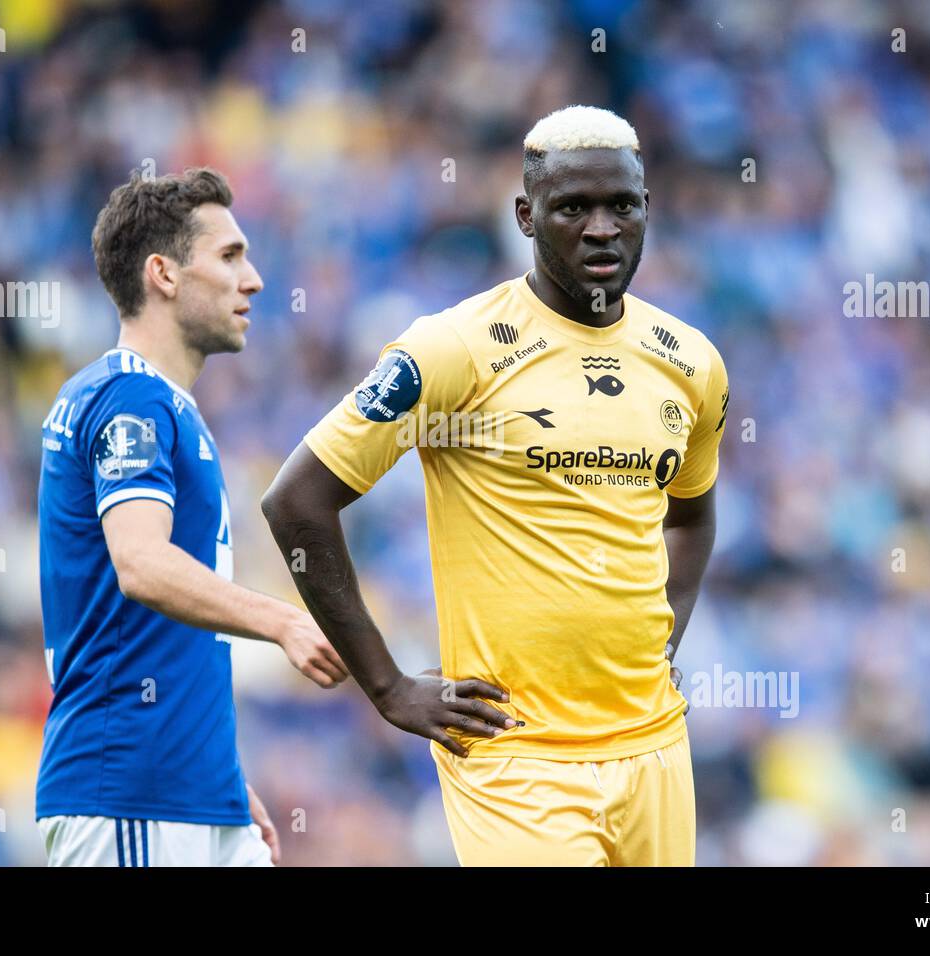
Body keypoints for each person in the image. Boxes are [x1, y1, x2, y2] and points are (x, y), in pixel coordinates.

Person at [261, 106, 727, 866]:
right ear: (525, 215)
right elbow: (297, 502)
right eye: (573, 208)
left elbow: (692, 518)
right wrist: (387, 687)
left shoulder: (691, 361)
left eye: (623, 206)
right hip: (516, 756)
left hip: (655, 748)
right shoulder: (454, 349)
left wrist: (666, 632)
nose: (603, 228)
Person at [35, 167, 347, 866]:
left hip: (189, 791)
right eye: (231, 257)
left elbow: (148, 630)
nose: (255, 279)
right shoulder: (130, 399)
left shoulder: (152, 403)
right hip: (130, 789)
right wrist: (284, 620)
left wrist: (221, 776)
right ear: (164, 275)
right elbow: (140, 565)